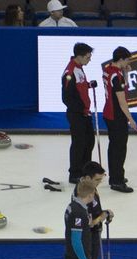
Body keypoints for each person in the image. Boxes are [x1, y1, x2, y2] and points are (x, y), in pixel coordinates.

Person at [102, 47, 137, 193]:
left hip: (109, 114)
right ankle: (117, 181)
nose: (128, 62)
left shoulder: (108, 69)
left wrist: (126, 73)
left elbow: (123, 87)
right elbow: (122, 101)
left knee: (115, 147)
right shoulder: (116, 76)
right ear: (121, 59)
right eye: (127, 59)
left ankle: (116, 176)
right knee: (119, 149)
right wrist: (131, 119)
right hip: (116, 116)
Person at [62, 43, 95, 184]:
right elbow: (67, 97)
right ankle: (74, 173)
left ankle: (85, 170)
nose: (89, 60)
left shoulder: (79, 68)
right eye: (88, 57)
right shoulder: (69, 72)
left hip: (84, 113)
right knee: (79, 143)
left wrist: (89, 85)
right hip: (77, 114)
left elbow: (80, 87)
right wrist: (80, 109)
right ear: (79, 56)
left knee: (89, 141)